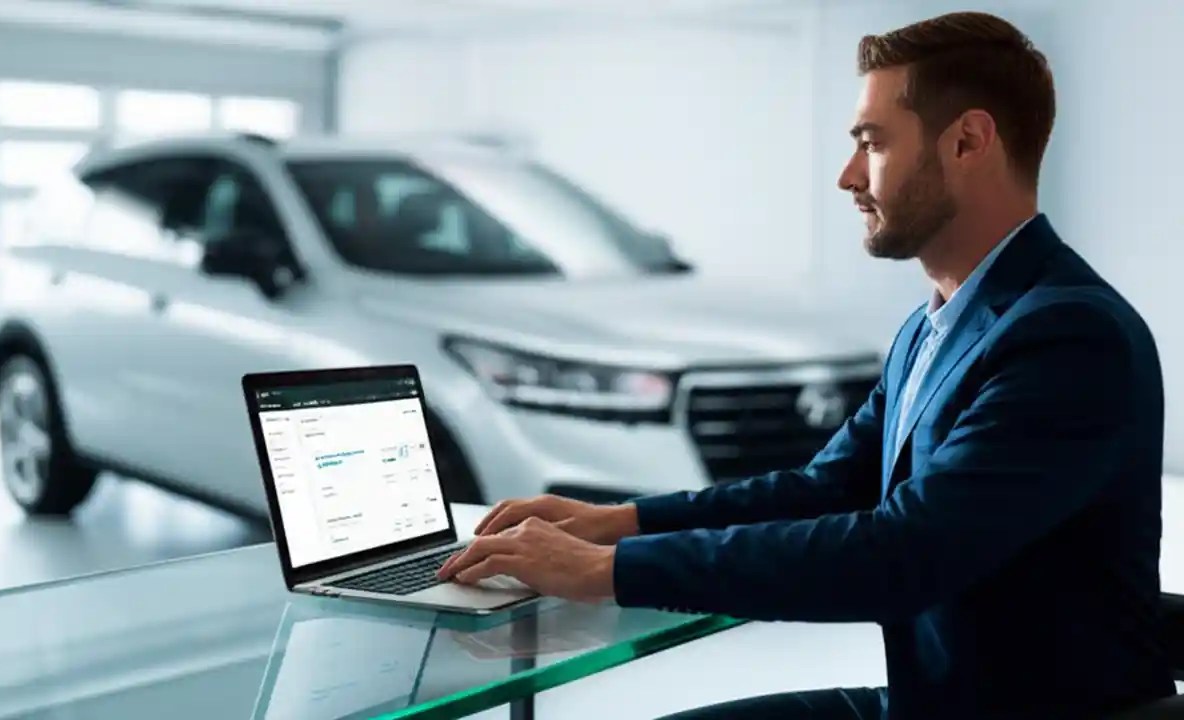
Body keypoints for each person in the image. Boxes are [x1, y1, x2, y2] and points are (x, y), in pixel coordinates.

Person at [438, 11, 1177, 719]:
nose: (849, 175)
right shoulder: (934, 328)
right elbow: (826, 488)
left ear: (968, 142)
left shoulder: (1067, 336)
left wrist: (607, 572)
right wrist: (617, 524)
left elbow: (902, 553)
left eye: (873, 142)